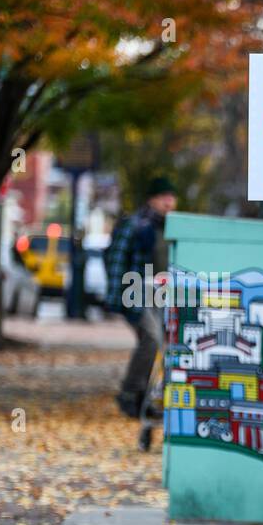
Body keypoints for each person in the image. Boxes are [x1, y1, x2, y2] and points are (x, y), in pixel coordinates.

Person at [105, 176, 177, 418]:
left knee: (163, 345)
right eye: (163, 196)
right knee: (151, 341)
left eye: (171, 196)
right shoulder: (136, 225)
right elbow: (116, 260)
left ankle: (146, 399)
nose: (169, 201)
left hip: (163, 298)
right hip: (137, 294)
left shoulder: (172, 228)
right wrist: (120, 298)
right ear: (152, 199)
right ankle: (130, 393)